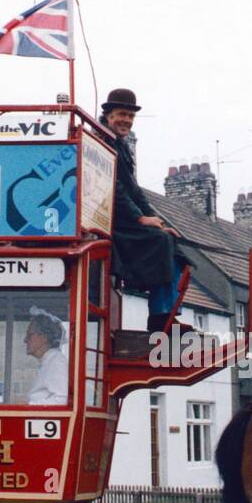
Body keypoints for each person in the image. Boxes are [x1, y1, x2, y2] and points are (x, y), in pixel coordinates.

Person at [99, 88, 190, 335]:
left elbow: (135, 191)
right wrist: (140, 218)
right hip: (111, 221)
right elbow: (112, 188)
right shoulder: (100, 141)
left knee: (170, 243)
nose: (126, 120)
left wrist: (156, 220)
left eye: (130, 116)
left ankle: (164, 315)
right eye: (121, 114)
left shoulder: (121, 146)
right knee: (162, 243)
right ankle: (160, 319)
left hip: (125, 219)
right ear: (107, 115)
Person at [24, 309, 68, 405]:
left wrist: (30, 406)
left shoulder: (56, 361)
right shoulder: (48, 360)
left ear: (44, 337)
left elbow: (62, 400)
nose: (25, 340)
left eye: (30, 335)